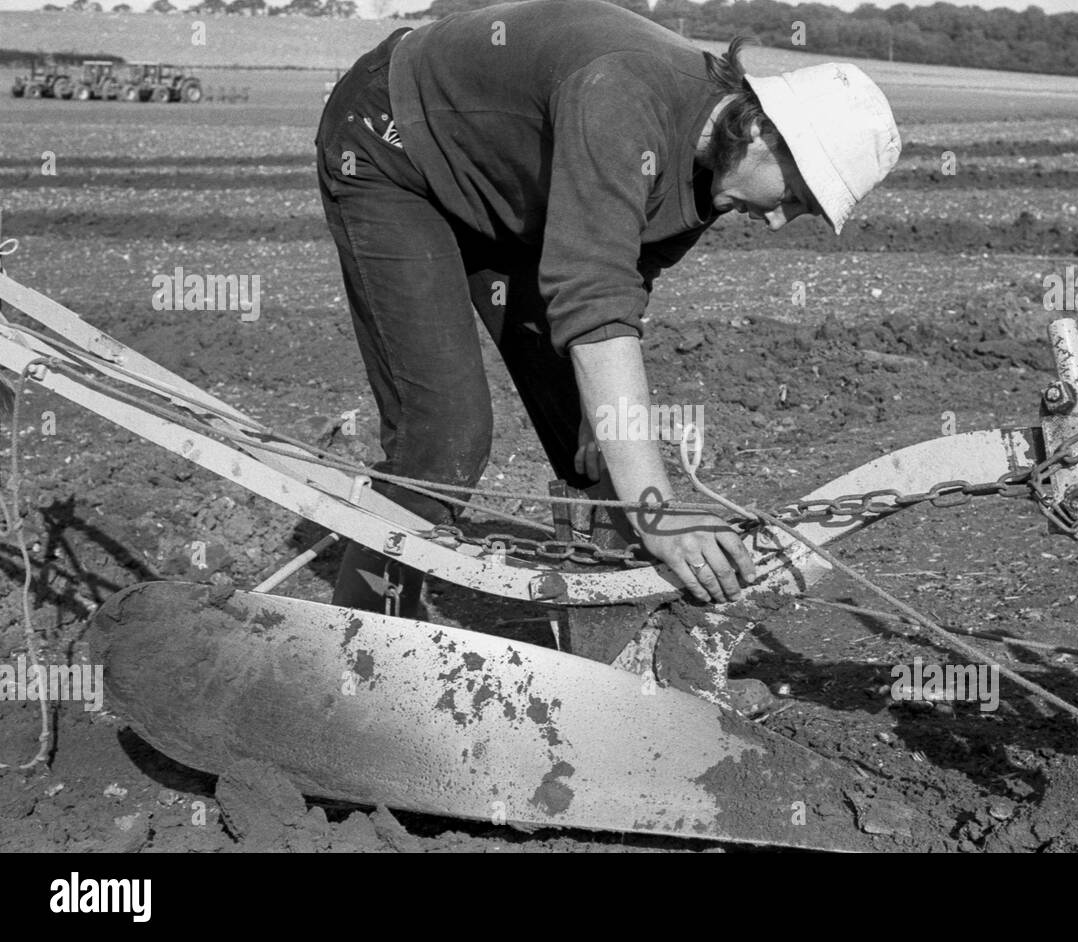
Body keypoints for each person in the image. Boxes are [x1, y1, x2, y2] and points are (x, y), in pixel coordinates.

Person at [315, 0, 900, 619]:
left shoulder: (713, 172)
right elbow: (592, 302)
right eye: (797, 197)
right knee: (444, 436)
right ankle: (358, 642)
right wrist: (655, 507)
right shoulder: (624, 96)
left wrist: (610, 435)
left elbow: (623, 276)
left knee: (596, 443)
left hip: (510, 192)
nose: (781, 220)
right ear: (763, 133)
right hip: (393, 148)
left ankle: (610, 642)